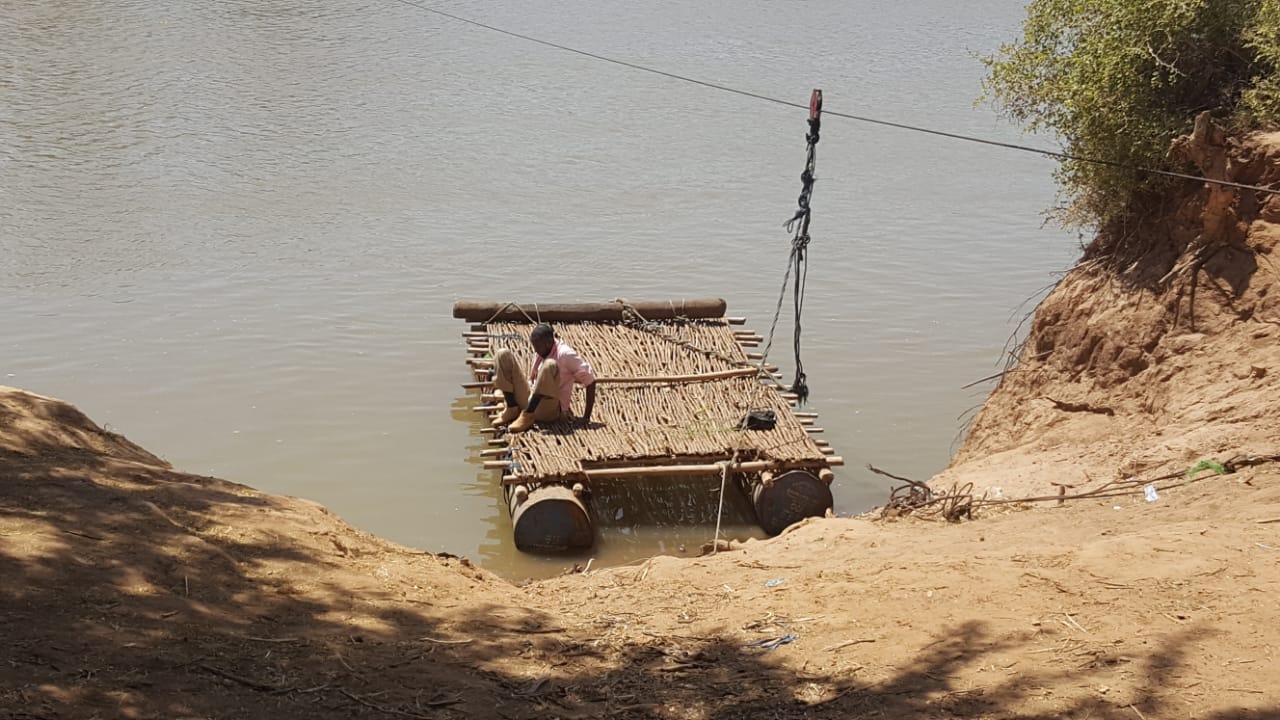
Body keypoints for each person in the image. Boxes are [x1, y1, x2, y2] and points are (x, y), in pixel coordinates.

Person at [491, 324, 596, 433]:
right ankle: (512, 407)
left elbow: (590, 380)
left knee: (549, 365)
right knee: (502, 354)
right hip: (530, 397)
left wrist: (586, 417)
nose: (535, 350)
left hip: (549, 409)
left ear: (549, 342)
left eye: (537, 346)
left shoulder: (565, 354)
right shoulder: (543, 350)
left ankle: (528, 415)